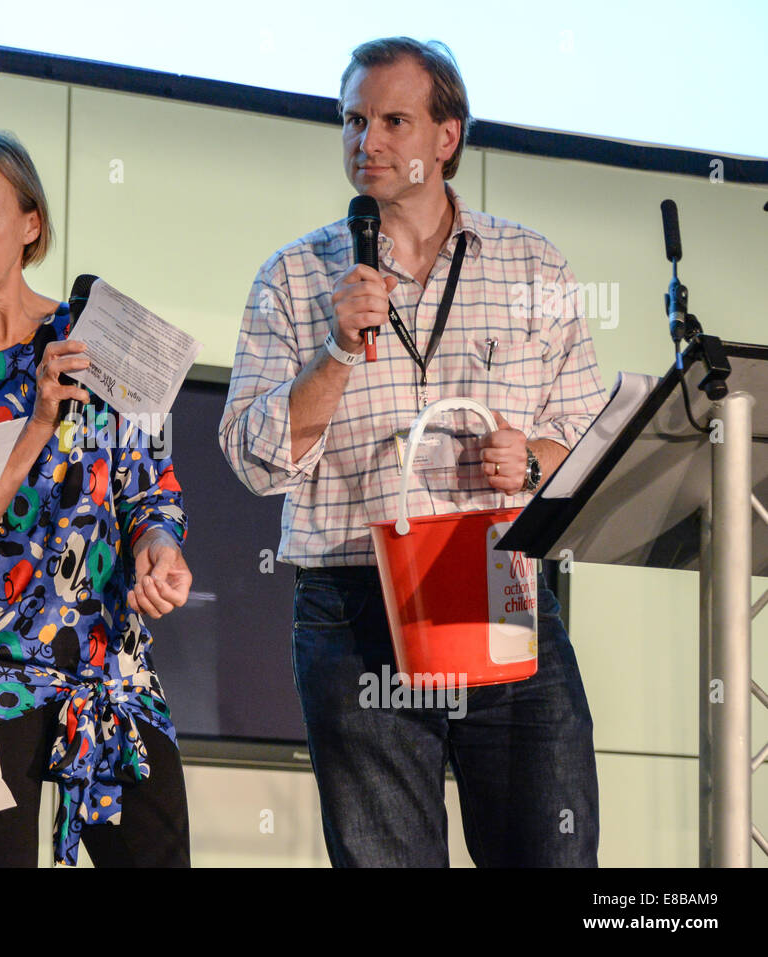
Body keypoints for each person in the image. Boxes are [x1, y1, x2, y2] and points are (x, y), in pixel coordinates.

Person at [219, 38, 606, 867]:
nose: (369, 141)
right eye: (354, 121)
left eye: (395, 120)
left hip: (496, 583)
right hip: (355, 602)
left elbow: (582, 440)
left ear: (447, 137)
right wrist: (334, 350)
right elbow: (253, 460)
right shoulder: (293, 276)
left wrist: (531, 462)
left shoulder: (533, 263)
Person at [0, 130, 194, 867]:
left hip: (105, 662)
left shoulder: (98, 338)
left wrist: (159, 551)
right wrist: (39, 421)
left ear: (32, 225)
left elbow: (149, 486)